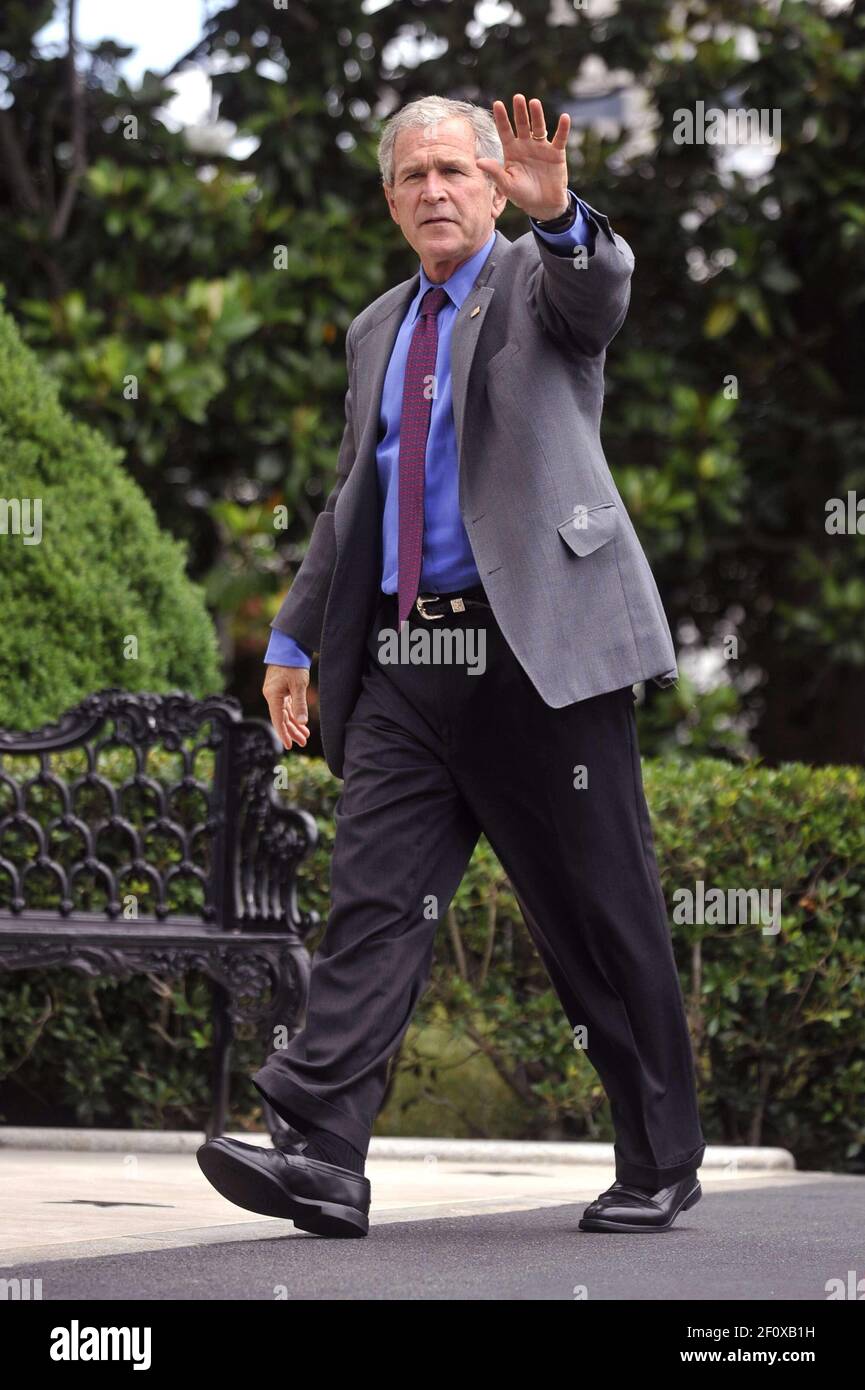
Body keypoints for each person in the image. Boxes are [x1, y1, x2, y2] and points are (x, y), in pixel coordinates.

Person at [197, 93, 706, 1238]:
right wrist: (291, 636)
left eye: (454, 171)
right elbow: (354, 496)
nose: (434, 189)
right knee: (372, 901)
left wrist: (562, 214)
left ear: (491, 184)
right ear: (390, 200)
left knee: (596, 914)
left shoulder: (538, 280)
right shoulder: (376, 326)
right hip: (404, 661)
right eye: (412, 175)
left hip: (538, 653)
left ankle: (662, 1156)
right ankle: (322, 1152)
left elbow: (597, 294)